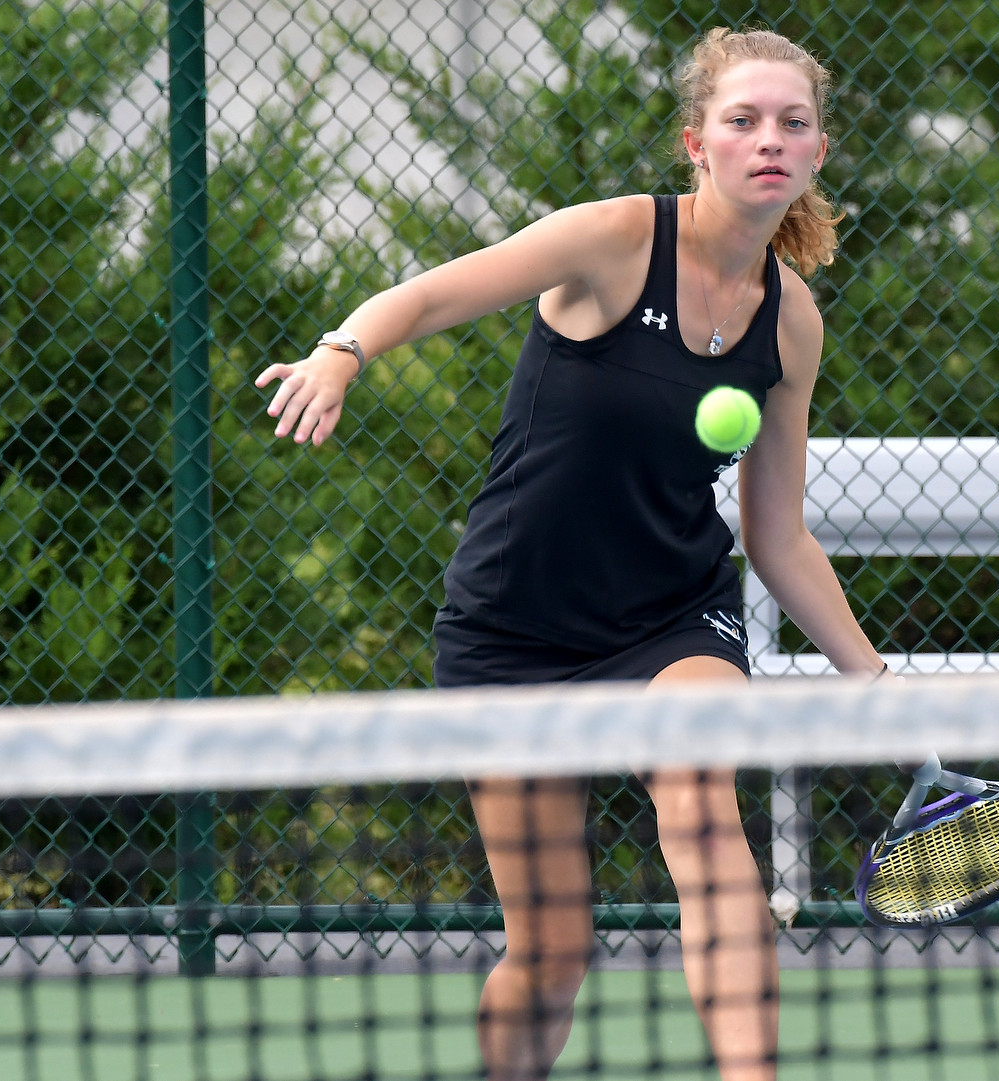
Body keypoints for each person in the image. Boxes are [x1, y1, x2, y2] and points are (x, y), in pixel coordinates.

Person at [256, 27, 890, 1081]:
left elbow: (776, 532)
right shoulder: (611, 240)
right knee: (553, 950)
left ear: (819, 152)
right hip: (513, 630)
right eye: (743, 120)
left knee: (705, 818)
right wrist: (342, 351)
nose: (768, 139)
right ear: (698, 142)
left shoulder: (792, 323)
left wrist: (871, 677)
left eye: (793, 123)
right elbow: (435, 293)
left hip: (672, 616)